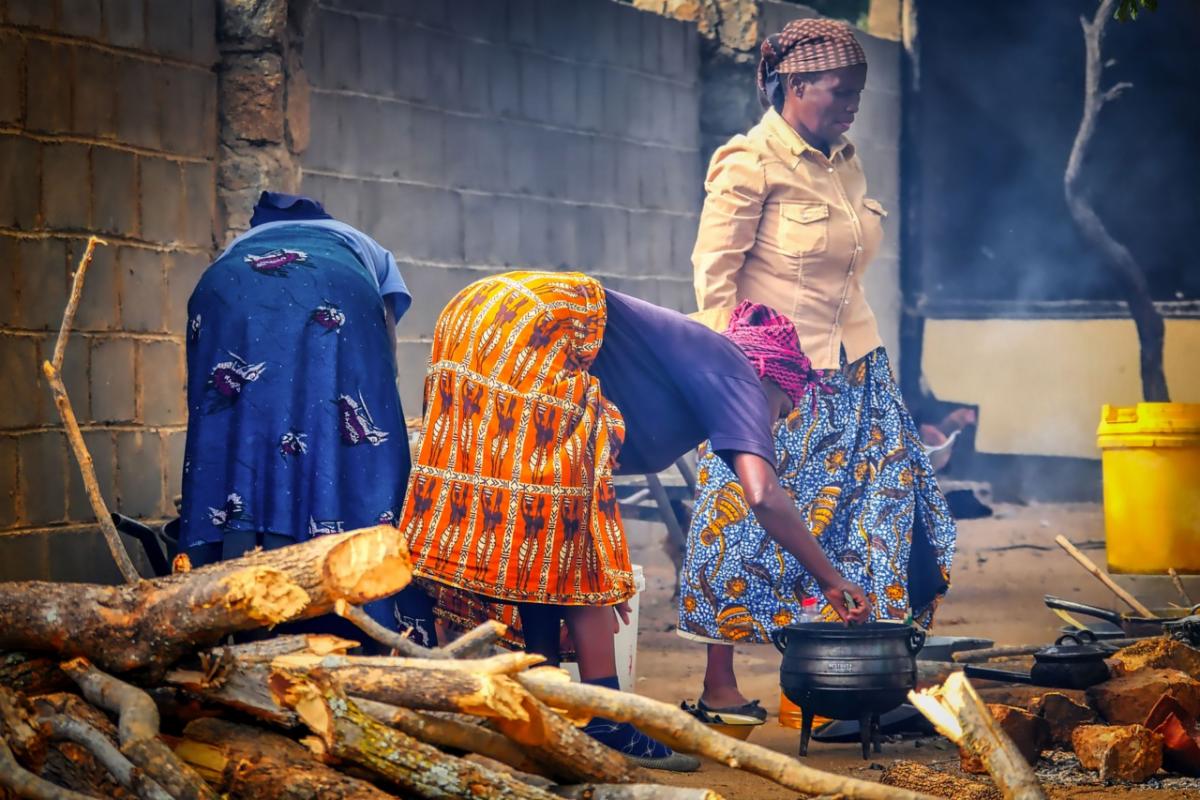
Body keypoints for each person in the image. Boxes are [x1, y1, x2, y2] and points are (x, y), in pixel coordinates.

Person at [396, 271, 870, 771]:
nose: (770, 424)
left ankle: (542, 698)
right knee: (582, 538)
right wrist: (831, 580)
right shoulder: (740, 375)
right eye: (782, 410)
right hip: (546, 319)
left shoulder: (683, 364)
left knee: (543, 531)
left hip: (478, 312)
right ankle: (607, 718)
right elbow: (764, 495)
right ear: (771, 377)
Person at [684, 18, 958, 720]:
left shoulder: (845, 158)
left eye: (858, 92)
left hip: (859, 372)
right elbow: (713, 279)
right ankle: (720, 683)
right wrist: (731, 379)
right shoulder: (750, 162)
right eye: (841, 91)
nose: (851, 104)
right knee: (743, 517)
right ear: (796, 85)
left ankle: (849, 675)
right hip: (778, 379)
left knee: (881, 513)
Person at [179, 191, 413, 639]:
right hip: (341, 288)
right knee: (347, 441)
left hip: (224, 289)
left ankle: (233, 602)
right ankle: (361, 618)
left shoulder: (234, 253)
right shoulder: (362, 249)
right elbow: (386, 360)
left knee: (235, 429)